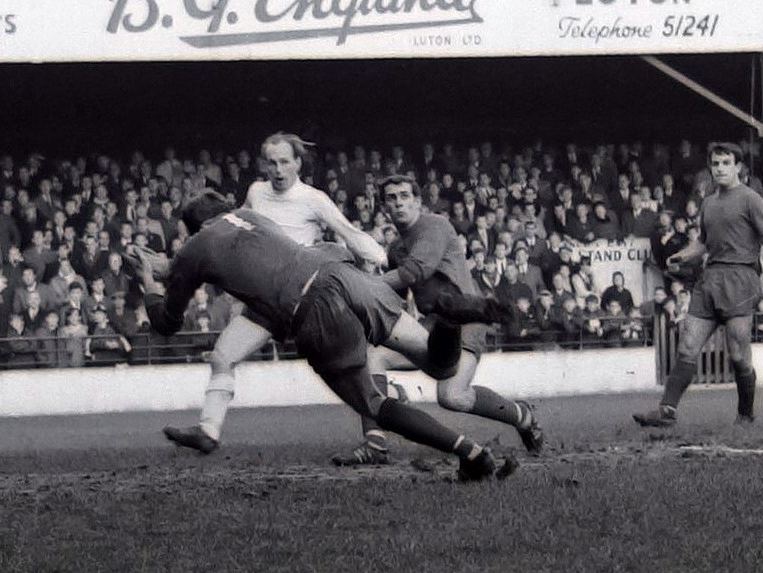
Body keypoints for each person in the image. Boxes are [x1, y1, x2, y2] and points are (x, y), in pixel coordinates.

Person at [138, 191, 516, 482]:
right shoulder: (250, 216)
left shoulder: (196, 246)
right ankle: (447, 321)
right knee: (440, 365)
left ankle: (472, 455)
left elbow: (166, 323)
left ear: (193, 228)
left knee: (373, 405)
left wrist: (149, 282)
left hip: (313, 307)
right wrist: (171, 267)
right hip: (344, 274)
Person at [164, 133, 388, 460]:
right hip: (265, 303)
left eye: (285, 162)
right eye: (272, 163)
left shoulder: (314, 199)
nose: (278, 169)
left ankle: (377, 436)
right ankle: (208, 431)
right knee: (223, 356)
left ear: (298, 163)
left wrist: (381, 258)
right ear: (263, 165)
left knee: (353, 372)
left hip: (307, 297)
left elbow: (349, 233)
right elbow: (230, 226)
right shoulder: (256, 192)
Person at [376, 173, 544, 455]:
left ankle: (522, 417)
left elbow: (417, 271)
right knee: (373, 355)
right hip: (430, 327)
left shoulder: (434, 225)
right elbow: (396, 298)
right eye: (391, 198)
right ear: (384, 207)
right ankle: (375, 441)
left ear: (417, 201)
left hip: (465, 320)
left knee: (453, 396)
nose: (399, 203)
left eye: (405, 196)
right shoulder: (396, 250)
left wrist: (364, 284)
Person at [633, 140, 763, 429]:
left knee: (738, 355)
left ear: (738, 167)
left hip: (740, 278)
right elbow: (703, 242)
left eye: (726, 163)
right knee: (687, 344)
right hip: (710, 279)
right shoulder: (709, 203)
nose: (720, 168)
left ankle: (745, 414)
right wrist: (682, 255)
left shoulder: (751, 199)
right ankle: (667, 411)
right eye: (715, 164)